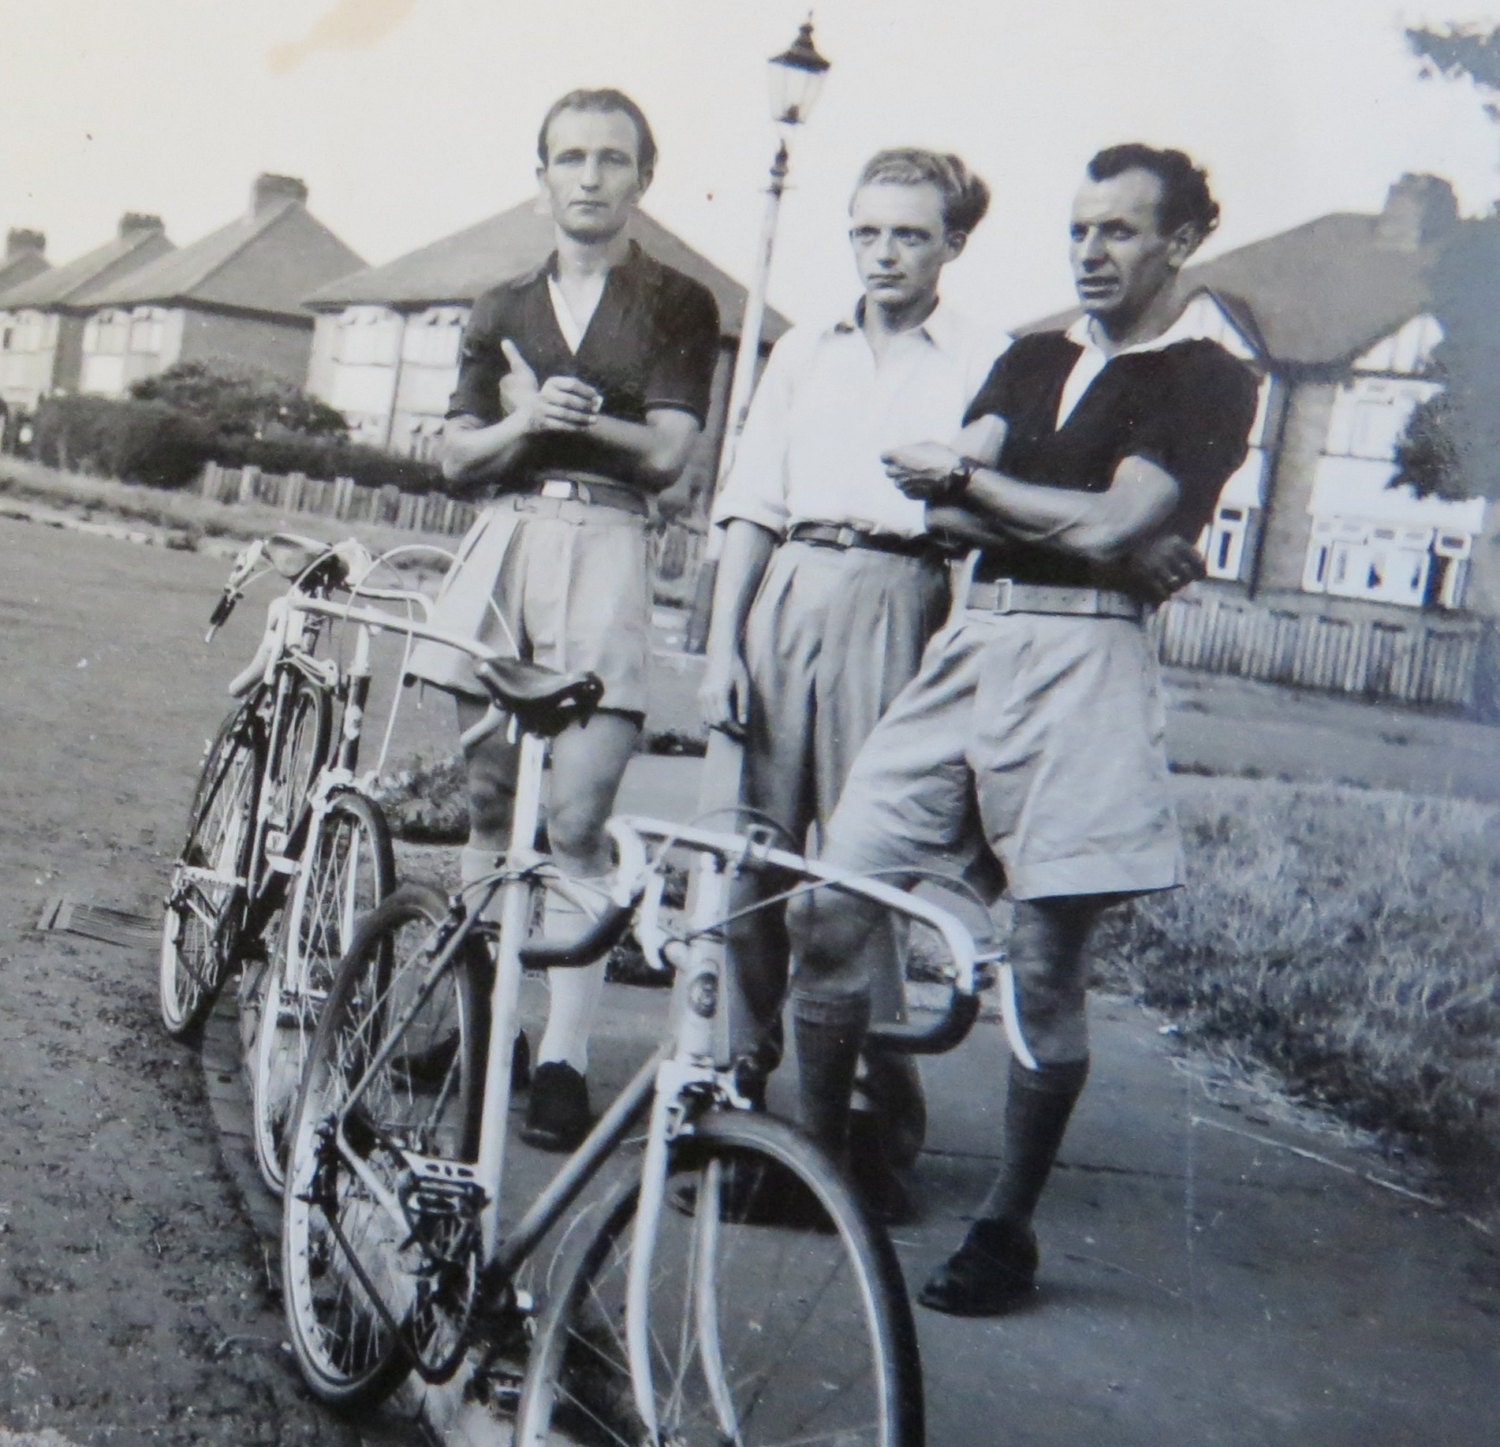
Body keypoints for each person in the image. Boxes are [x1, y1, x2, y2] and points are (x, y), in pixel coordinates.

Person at [783, 143, 1259, 1310]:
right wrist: (1064, 516)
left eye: (1121, 231)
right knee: (835, 902)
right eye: (1080, 228)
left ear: (1179, 243)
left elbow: (1108, 528)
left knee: (1046, 962)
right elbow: (950, 509)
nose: (1091, 252)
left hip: (1088, 660)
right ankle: (813, 1163)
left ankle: (1004, 1231)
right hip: (973, 641)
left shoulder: (1207, 377)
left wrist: (1011, 501)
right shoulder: (1033, 352)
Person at [409, 88, 720, 1150]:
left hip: (607, 548)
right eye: (571, 158)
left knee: (579, 818)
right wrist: (523, 421)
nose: (591, 177)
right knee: (491, 800)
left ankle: (563, 1057)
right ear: (541, 174)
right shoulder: (500, 310)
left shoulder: (675, 303)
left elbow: (674, 456)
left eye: (614, 159)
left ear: (643, 177)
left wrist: (592, 424)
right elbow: (455, 457)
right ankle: (477, 1022)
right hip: (506, 543)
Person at [698, 148, 1003, 1219]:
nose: (884, 254)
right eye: (867, 232)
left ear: (953, 244)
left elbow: (983, 530)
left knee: (860, 883)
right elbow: (751, 502)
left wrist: (960, 666)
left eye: (910, 234)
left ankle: (869, 1129)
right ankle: (742, 1102)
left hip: (902, 597)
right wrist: (724, 645)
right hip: (788, 589)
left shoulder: (981, 358)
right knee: (753, 866)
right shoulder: (804, 353)